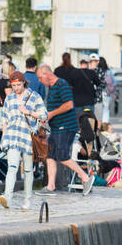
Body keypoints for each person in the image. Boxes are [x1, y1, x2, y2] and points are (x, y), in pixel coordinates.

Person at [37, 65, 93, 194]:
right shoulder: (51, 87)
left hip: (66, 127)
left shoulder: (62, 84)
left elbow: (69, 105)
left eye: (40, 77)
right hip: (57, 127)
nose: (39, 81)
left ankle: (85, 177)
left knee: (62, 156)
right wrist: (46, 118)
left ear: (47, 75)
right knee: (50, 155)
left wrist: (51, 114)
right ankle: (50, 186)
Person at [0, 71, 46, 210]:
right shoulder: (10, 98)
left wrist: (29, 112)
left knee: (28, 170)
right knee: (12, 167)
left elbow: (44, 115)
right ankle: (7, 196)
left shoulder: (34, 96)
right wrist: (4, 135)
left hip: (28, 136)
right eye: (14, 85)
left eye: (19, 84)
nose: (16, 87)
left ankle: (27, 199)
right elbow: (4, 119)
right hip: (12, 136)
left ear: (24, 82)